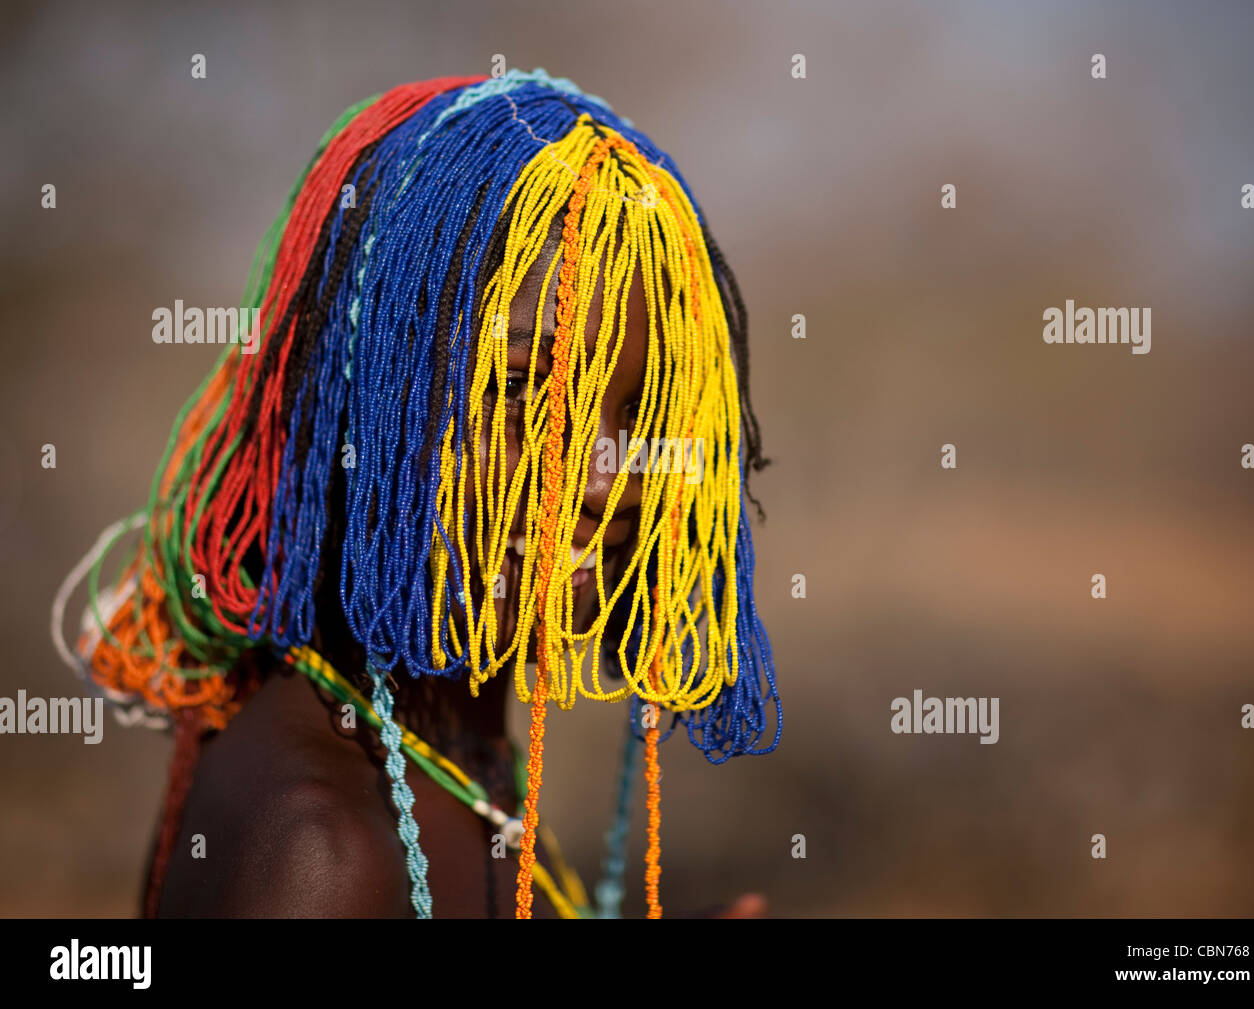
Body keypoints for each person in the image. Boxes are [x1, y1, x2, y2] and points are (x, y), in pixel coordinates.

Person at [54, 69, 780, 919]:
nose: (608, 479)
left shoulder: (454, 753)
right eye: (516, 391)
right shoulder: (322, 856)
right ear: (367, 398)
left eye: (642, 407)